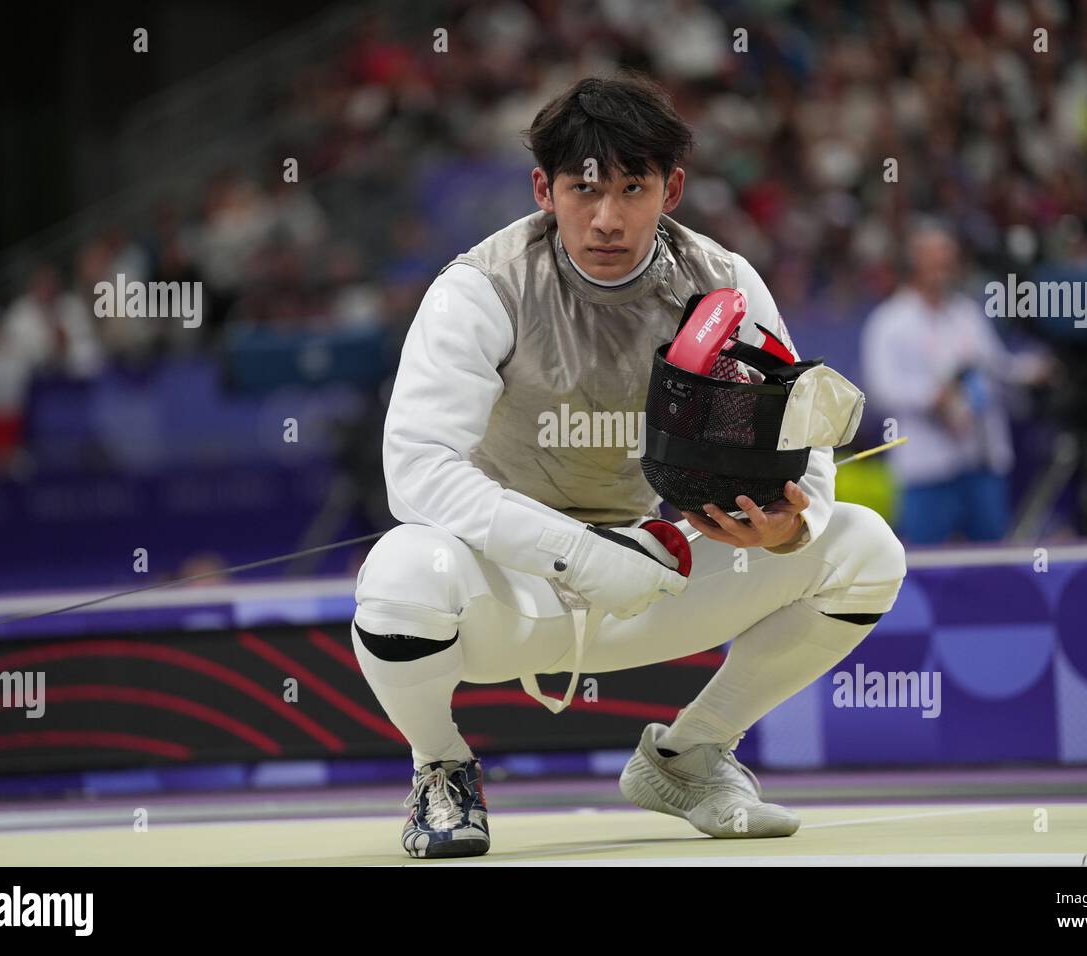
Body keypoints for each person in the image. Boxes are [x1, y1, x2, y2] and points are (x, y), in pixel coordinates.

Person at [352, 74, 907, 859]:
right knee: (400, 575)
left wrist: (789, 526)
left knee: (864, 549)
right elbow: (417, 470)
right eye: (584, 190)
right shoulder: (481, 290)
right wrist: (575, 552)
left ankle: (690, 757)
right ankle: (441, 767)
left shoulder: (726, 284)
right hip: (515, 591)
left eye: (632, 188)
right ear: (544, 189)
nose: (607, 218)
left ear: (670, 189)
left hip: (659, 576)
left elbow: (807, 455)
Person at [861, 225, 1051, 544]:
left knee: (992, 559)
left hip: (978, 457)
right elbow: (880, 387)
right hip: (925, 464)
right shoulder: (889, 321)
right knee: (926, 565)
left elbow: (996, 366)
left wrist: (1030, 370)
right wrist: (930, 397)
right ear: (915, 264)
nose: (943, 270)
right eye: (934, 262)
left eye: (948, 262)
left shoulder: (966, 313)